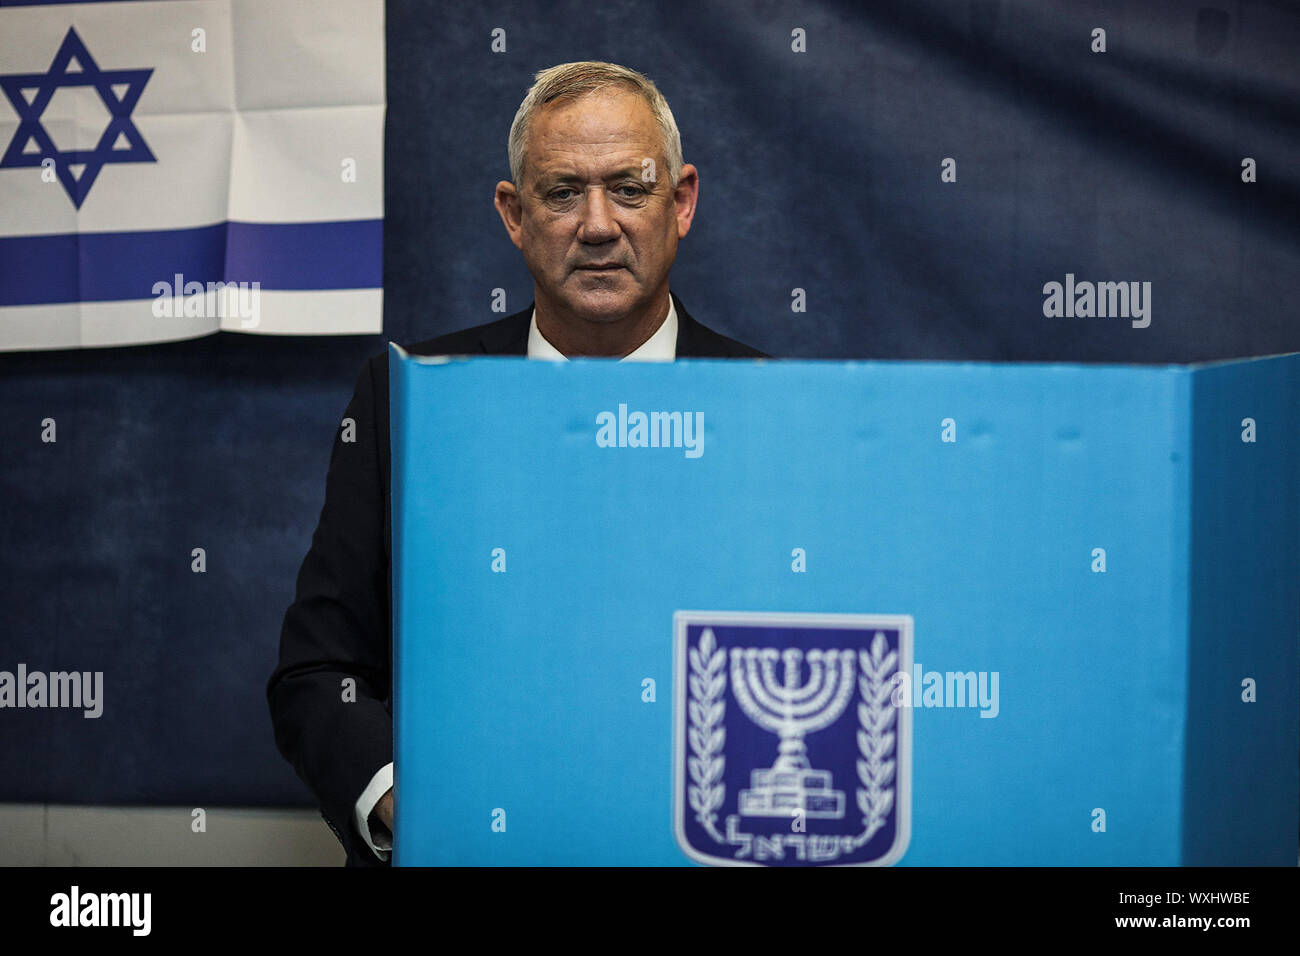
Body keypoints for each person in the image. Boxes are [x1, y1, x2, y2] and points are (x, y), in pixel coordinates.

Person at [267, 61, 767, 866]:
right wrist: (411, 810)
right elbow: (322, 672)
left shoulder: (777, 407)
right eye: (563, 192)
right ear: (514, 213)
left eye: (631, 189)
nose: (598, 224)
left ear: (681, 203)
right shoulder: (407, 398)